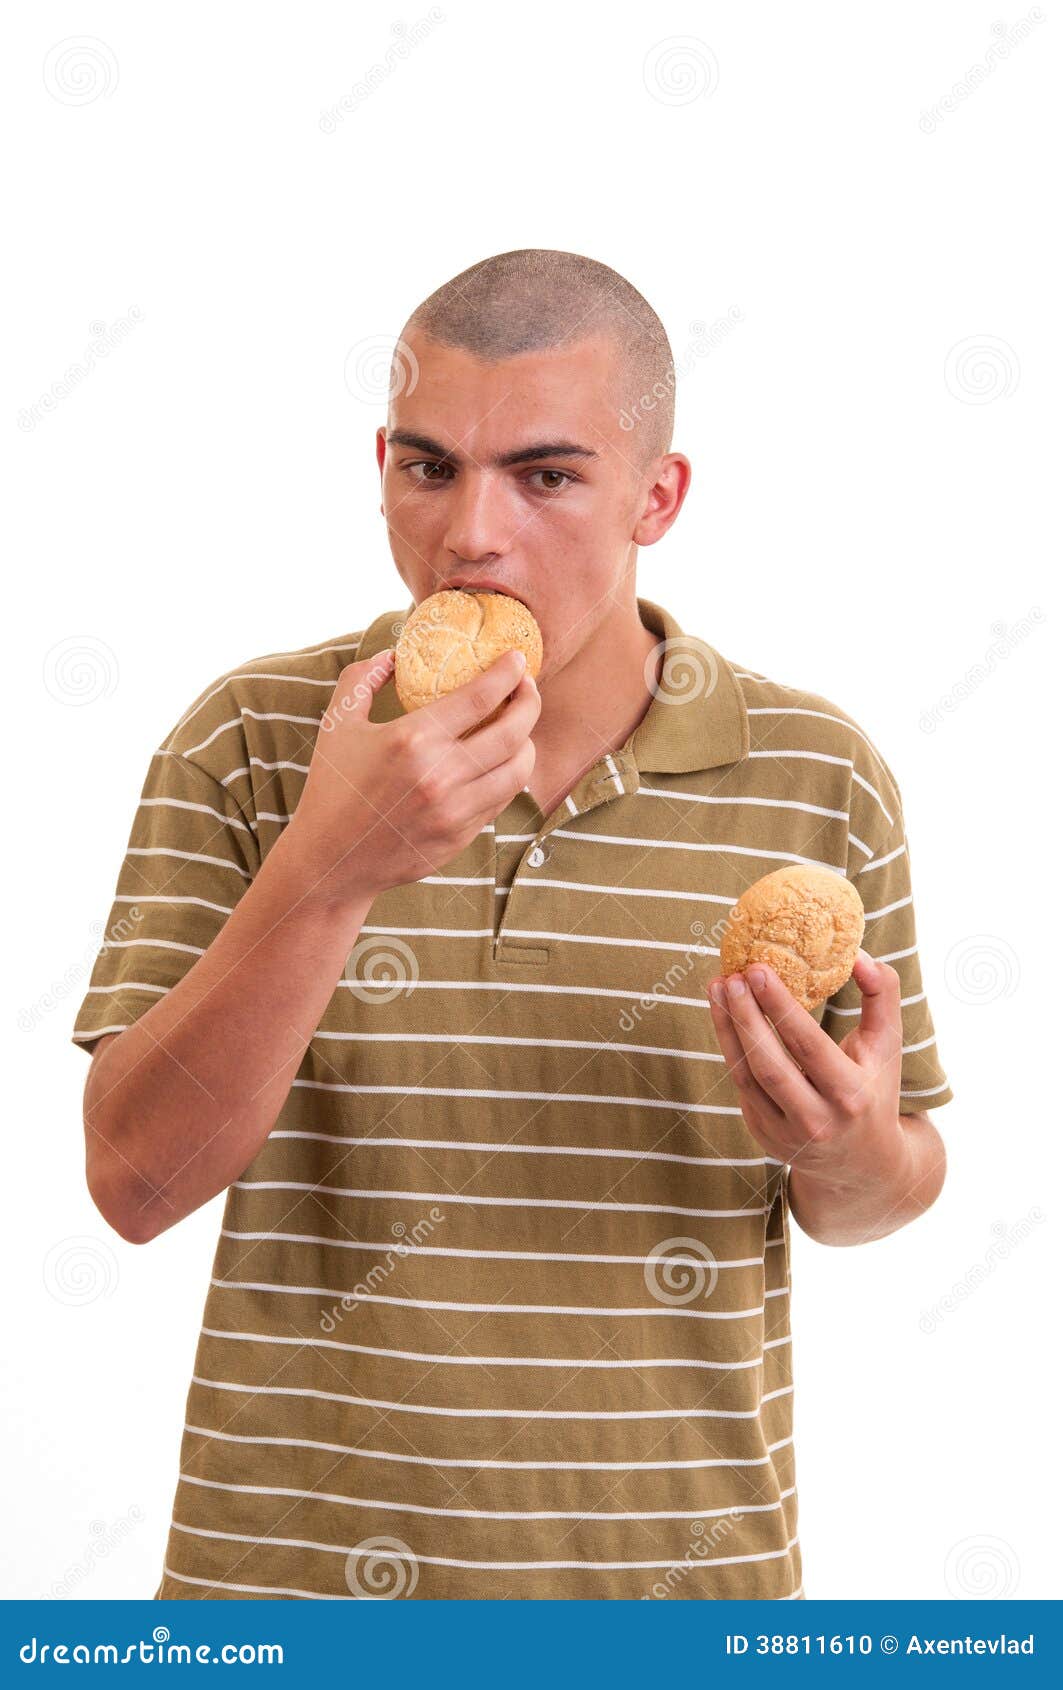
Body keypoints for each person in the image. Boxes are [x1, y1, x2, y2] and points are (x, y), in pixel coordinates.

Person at [73, 249, 952, 1601]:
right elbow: (136, 1183)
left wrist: (851, 1147)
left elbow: (883, 1190)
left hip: (669, 1600)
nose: (472, 533)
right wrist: (330, 865)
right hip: (290, 1599)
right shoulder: (251, 741)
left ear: (657, 494)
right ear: (380, 465)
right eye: (429, 468)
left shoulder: (813, 772)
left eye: (546, 475)